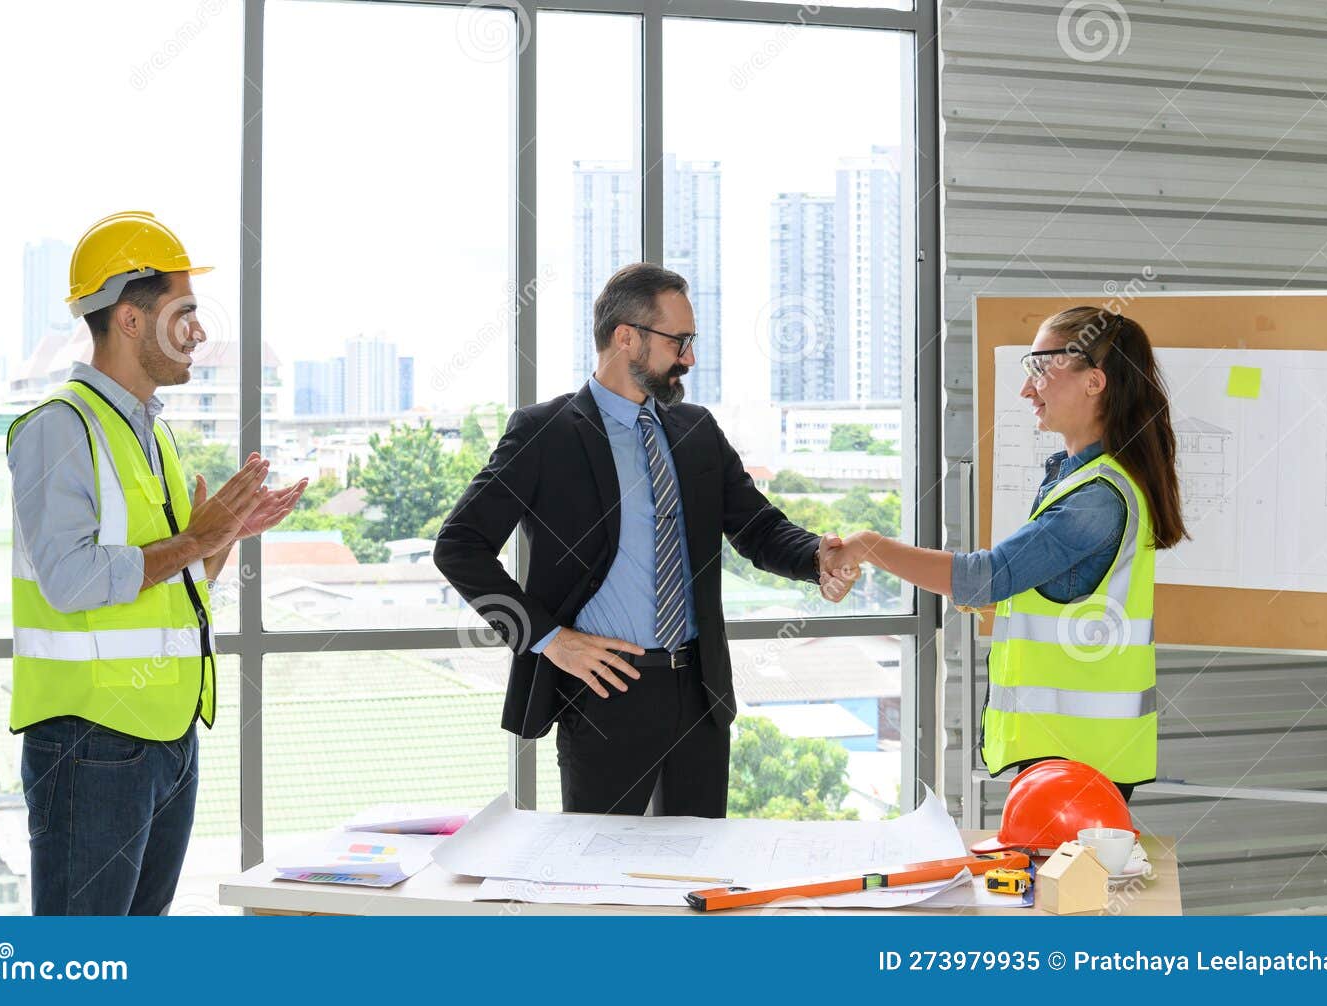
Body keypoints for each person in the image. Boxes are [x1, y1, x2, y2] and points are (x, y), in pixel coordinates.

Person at [435, 262, 858, 818]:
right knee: (601, 883)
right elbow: (458, 545)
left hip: (700, 694)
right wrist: (548, 638)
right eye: (679, 341)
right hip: (603, 694)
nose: (690, 357)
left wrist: (816, 556)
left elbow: (757, 527)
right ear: (626, 337)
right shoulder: (546, 432)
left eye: (692, 341)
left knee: (698, 874)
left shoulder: (697, 430)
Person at [7, 211, 306, 914]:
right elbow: (73, 581)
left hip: (166, 740)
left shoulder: (153, 435)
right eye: (185, 312)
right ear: (132, 320)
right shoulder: (61, 428)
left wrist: (227, 532)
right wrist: (199, 538)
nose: (199, 332)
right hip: (90, 748)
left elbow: (176, 580)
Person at [833, 307, 1187, 800]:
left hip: (1077, 764)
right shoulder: (1084, 477)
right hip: (1071, 759)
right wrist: (1009, 603)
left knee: (1055, 880)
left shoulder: (1096, 497)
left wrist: (868, 545)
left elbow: (987, 575)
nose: (1027, 390)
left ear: (1094, 382)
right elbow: (1064, 594)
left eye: (1041, 369)